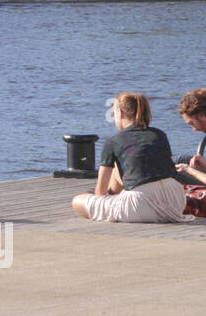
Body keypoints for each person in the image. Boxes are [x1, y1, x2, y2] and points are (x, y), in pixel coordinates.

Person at [71, 93, 195, 223]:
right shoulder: (160, 135)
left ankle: (113, 198)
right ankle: (114, 196)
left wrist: (101, 198)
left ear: (121, 113)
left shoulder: (114, 141)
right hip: (175, 200)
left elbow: (100, 191)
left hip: (140, 205)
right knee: (119, 167)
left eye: (113, 113)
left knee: (78, 201)